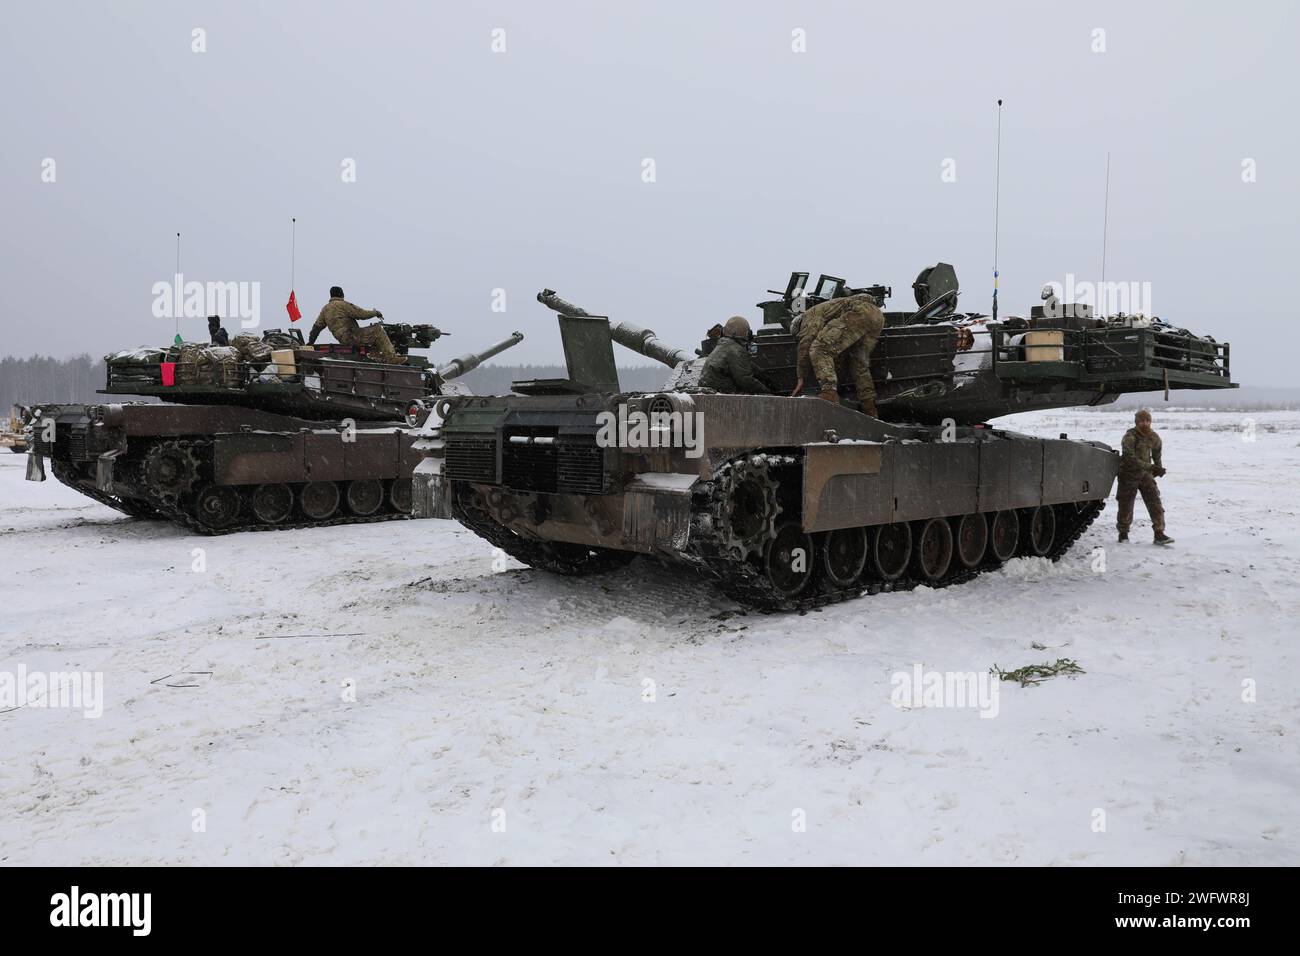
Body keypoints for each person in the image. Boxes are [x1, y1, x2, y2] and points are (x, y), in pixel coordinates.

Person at [792, 291, 885, 414]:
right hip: (877, 317)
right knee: (858, 363)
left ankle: (829, 392)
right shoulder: (829, 307)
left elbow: (806, 342)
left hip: (859, 313)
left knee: (820, 348)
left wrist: (801, 377)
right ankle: (869, 404)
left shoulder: (809, 316)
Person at [1116, 409, 1173, 545]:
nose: (1145, 423)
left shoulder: (1154, 437)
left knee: (1155, 503)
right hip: (1128, 474)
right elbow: (1130, 458)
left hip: (1145, 475)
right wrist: (1151, 467)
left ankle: (1159, 533)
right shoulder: (1130, 436)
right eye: (1142, 421)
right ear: (1137, 422)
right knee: (1126, 504)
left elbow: (1157, 453)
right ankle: (1123, 533)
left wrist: (1158, 468)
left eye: (1147, 421)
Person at [307, 286, 405, 363]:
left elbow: (316, 328)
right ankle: (392, 358)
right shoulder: (343, 305)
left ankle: (374, 355)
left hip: (344, 339)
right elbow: (361, 314)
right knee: (377, 330)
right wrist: (375, 313)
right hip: (352, 335)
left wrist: (310, 343)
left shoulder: (325, 309)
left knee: (370, 336)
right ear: (341, 294)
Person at [698, 316, 771, 394]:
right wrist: (767, 391)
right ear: (746, 334)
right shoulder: (736, 349)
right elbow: (745, 379)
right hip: (722, 390)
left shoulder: (723, 344)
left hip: (709, 387)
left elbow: (744, 364)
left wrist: (761, 373)